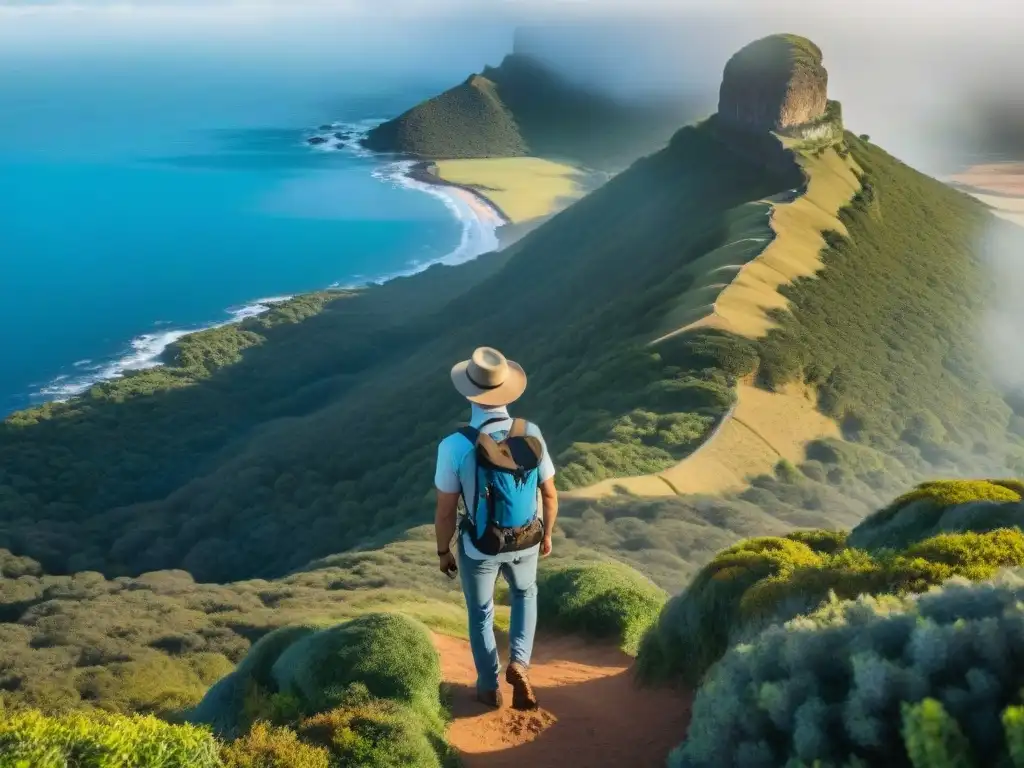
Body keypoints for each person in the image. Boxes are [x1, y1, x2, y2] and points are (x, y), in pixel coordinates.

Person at [434, 346, 558, 711]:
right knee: (525, 596)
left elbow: (444, 512)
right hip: (527, 538)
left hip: (481, 545)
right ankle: (519, 664)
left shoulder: (455, 446)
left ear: (469, 393)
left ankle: (489, 687)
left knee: (482, 613)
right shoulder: (530, 433)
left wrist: (444, 552)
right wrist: (546, 535)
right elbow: (549, 494)